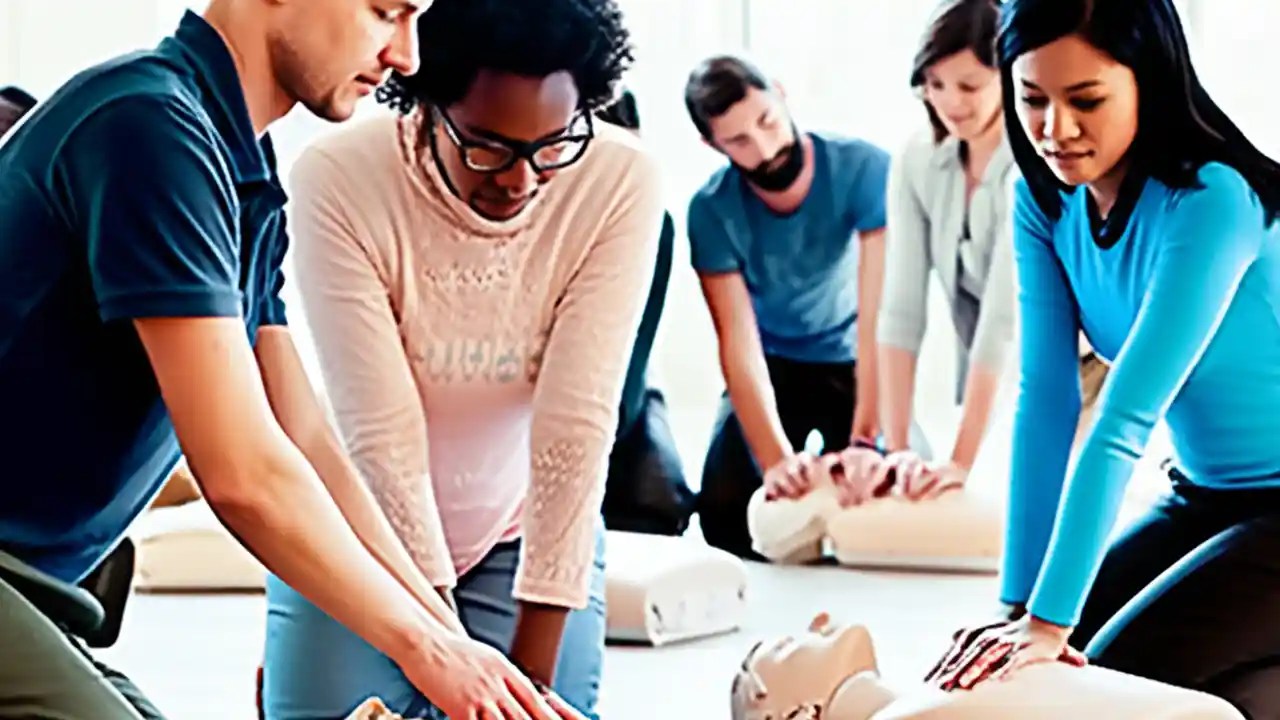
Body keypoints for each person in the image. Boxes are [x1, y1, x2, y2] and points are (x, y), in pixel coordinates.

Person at [0, 2, 579, 719]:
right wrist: (425, 653)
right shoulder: (147, 127)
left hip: (37, 590)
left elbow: (301, 438)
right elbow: (242, 475)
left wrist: (449, 638)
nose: (408, 55)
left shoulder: (238, 165)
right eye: (386, 12)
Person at [261, 1, 658, 718]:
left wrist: (529, 685)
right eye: (487, 146)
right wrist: (446, 651)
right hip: (358, 524)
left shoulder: (617, 181)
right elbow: (380, 437)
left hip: (519, 527)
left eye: (552, 145)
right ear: (422, 105)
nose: (520, 180)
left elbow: (578, 421)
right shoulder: (337, 176)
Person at [926, 0, 1280, 717]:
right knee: (1023, 672)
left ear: (1148, 80)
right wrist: (1019, 607)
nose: (1055, 129)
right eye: (1032, 100)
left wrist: (1049, 627)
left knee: (1094, 676)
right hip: (1203, 497)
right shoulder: (1043, 203)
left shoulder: (1213, 201)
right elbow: (1048, 400)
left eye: (1085, 100)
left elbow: (1124, 417)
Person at [684, 55, 924, 559]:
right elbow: (738, 342)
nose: (766, 147)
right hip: (774, 365)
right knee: (725, 515)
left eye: (767, 121)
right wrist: (775, 460)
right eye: (738, 142)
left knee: (901, 492)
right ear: (712, 146)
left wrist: (865, 438)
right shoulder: (710, 211)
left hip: (856, 357)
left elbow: (882, 312)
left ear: (781, 92)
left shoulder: (863, 169)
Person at [874, 0, 1018, 500]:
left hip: (1078, 366)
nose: (950, 102)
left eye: (969, 86)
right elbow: (900, 312)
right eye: (935, 85)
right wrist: (896, 449)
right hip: (994, 370)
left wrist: (960, 462)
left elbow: (1002, 324)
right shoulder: (917, 159)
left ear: (1009, 76)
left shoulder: (1033, 168)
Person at [594, 89, 697, 537]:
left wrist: (606, 425)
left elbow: (635, 345)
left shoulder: (656, 222)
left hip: (621, 389)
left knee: (659, 506)